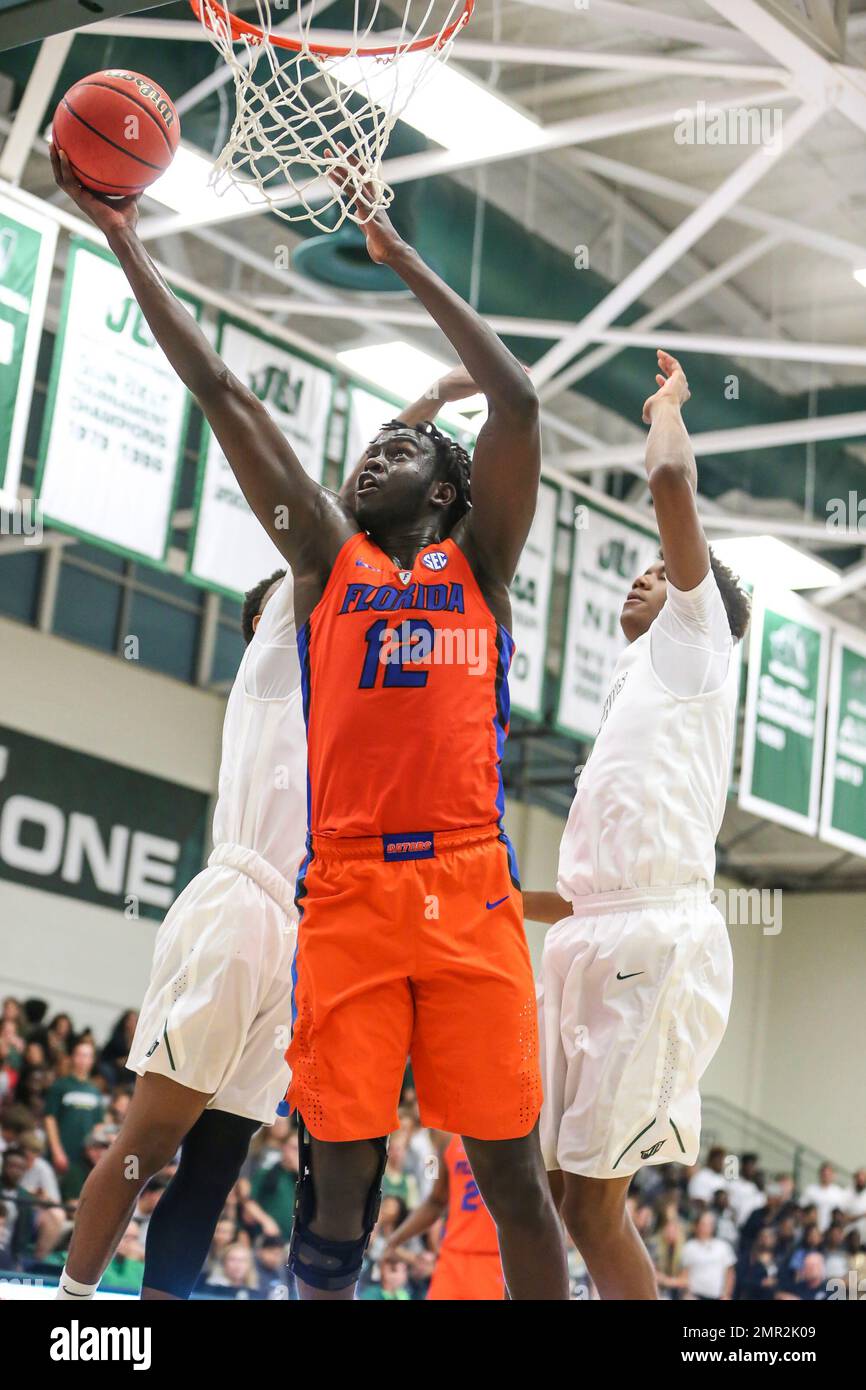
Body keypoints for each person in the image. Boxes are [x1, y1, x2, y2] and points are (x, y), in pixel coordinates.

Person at [50, 139, 566, 1302]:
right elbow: (224, 396)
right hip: (337, 896)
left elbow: (520, 402)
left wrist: (400, 258)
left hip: (465, 886)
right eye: (369, 446)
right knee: (336, 1185)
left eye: (397, 449)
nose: (369, 455)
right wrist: (125, 239)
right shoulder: (324, 574)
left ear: (445, 493)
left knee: (512, 1173)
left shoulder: (477, 571)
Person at [525, 351, 750, 1300]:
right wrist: (497, 897)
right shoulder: (628, 690)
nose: (643, 578)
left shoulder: (700, 647)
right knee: (544, 1187)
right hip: (592, 932)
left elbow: (667, 479)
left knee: (592, 1209)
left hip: (657, 939)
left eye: (662, 573)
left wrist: (668, 408)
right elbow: (585, 894)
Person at [386, 1132, 506, 1301]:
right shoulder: (442, 1137)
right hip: (451, 1257)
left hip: (495, 1258)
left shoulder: (514, 1129)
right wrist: (394, 1241)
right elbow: (436, 1200)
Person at [43, 1038, 106, 1202]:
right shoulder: (60, 1085)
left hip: (84, 1156)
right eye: (80, 1055)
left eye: (87, 1056)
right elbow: (50, 1119)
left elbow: (99, 1125)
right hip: (62, 1151)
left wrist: (96, 1153)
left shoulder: (95, 1091)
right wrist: (56, 1150)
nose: (83, 1060)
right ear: (72, 1057)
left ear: (92, 1060)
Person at [680, 1211, 736, 1301]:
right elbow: (685, 1273)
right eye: (703, 1224)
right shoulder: (689, 1247)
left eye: (710, 1224)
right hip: (695, 1295)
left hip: (718, 1296)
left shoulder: (723, 1246)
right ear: (697, 1225)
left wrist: (726, 1294)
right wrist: (687, 1293)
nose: (706, 1227)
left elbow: (730, 1273)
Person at [802, 1163, 850, 1233]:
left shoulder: (839, 1193)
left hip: (831, 1232)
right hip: (813, 1232)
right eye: (824, 1174)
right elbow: (802, 1209)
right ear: (820, 1174)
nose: (826, 1176)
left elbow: (843, 1213)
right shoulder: (810, 1190)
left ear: (833, 1175)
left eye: (829, 1174)